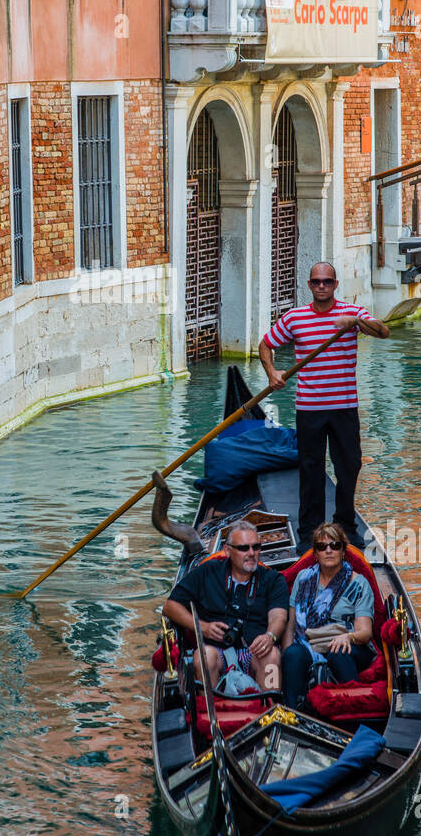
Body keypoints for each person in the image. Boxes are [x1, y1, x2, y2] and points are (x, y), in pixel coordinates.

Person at [258, 260, 389, 548]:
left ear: (335, 285)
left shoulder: (352, 313)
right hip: (309, 407)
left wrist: (355, 323)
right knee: (310, 469)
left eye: (327, 281)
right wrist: (272, 373)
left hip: (344, 406)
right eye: (316, 281)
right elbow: (266, 344)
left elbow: (383, 332)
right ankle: (310, 531)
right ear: (309, 285)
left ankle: (345, 525)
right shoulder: (295, 319)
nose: (321, 286)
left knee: (350, 465)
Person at [163, 520, 289, 692]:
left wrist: (270, 636)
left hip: (254, 650)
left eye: (256, 547)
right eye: (244, 548)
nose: (252, 553)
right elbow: (170, 607)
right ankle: (213, 712)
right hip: (216, 651)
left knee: (272, 656)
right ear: (228, 550)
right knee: (204, 657)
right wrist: (203, 627)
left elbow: (278, 616)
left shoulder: (273, 579)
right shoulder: (208, 571)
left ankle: (270, 708)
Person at [280, 524, 375, 709]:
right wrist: (285, 652)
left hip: (350, 644)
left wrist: (347, 637)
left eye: (335, 545)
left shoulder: (358, 583)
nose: (329, 550)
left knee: (338, 651)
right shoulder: (303, 578)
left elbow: (365, 632)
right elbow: (291, 625)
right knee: (292, 654)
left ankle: (354, 709)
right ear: (315, 554)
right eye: (322, 547)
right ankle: (293, 713)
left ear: (343, 551)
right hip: (307, 642)